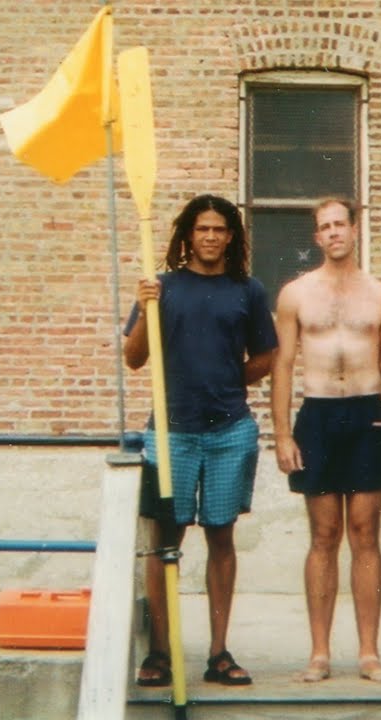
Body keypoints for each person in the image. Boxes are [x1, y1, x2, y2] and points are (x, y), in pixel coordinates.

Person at [123, 194, 279, 688]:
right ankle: (160, 654)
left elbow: (266, 357)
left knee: (221, 536)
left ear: (231, 236)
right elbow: (132, 357)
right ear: (188, 234)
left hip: (229, 431)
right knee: (163, 543)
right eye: (202, 229)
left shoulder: (247, 290)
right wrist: (146, 305)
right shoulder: (162, 287)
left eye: (220, 229)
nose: (211, 237)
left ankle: (218, 652)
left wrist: (229, 382)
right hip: (172, 433)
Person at [271, 197, 381, 683]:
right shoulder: (296, 294)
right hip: (319, 414)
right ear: (316, 237)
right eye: (323, 227)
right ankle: (319, 652)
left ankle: (369, 652)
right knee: (323, 535)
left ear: (354, 228)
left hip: (368, 411)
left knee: (365, 533)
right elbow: (283, 365)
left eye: (339, 224)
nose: (332, 233)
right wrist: (283, 433)